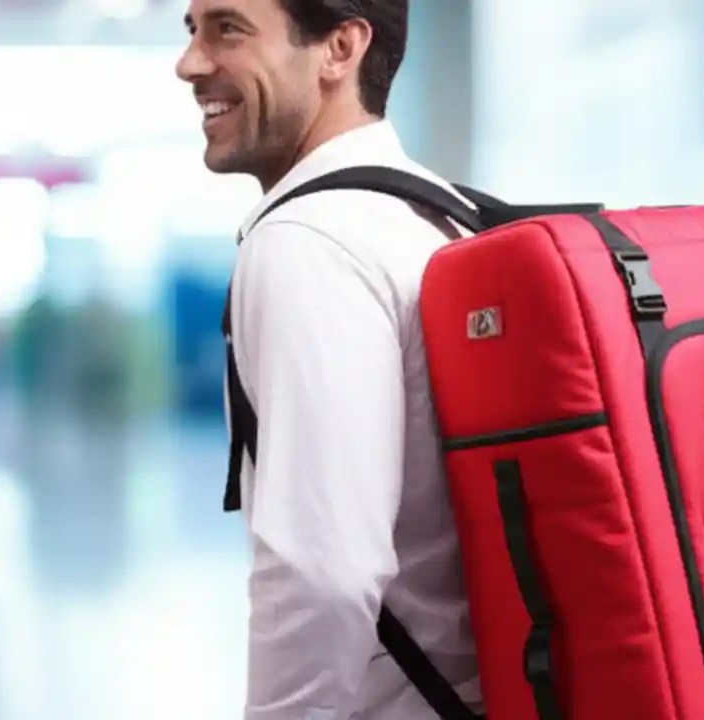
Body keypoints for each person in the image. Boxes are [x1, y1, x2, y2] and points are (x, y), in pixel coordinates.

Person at [175, 1, 482, 718]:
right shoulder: (438, 216)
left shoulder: (308, 242)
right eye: (191, 31)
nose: (190, 63)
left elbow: (322, 573)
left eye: (227, 28)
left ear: (339, 48)